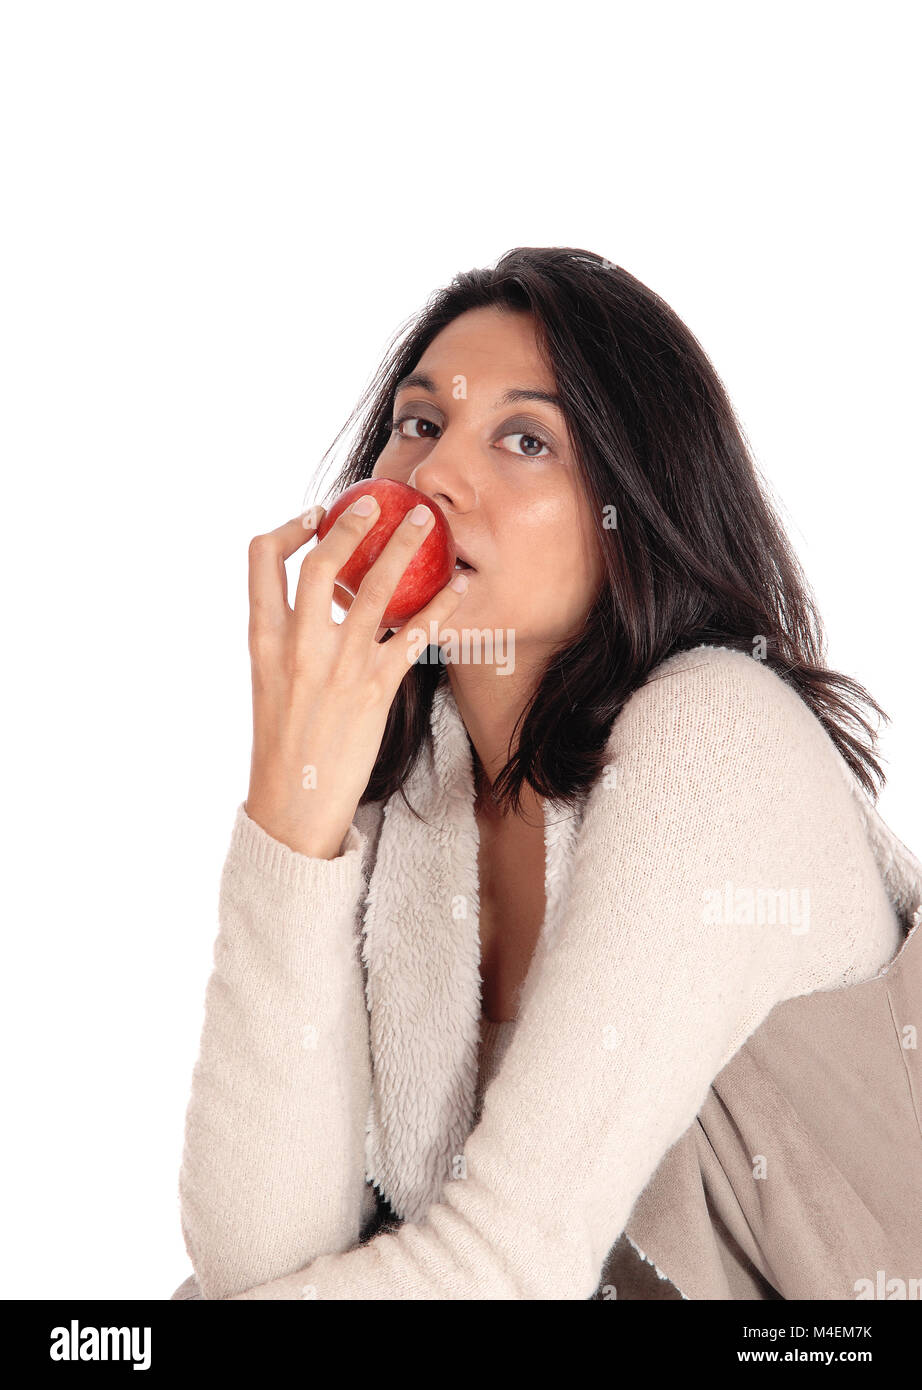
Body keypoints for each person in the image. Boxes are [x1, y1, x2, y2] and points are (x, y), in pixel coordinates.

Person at [171, 248, 922, 1300]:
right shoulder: (410, 796)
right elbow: (261, 1262)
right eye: (419, 424)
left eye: (526, 439)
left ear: (633, 519)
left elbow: (508, 1266)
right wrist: (293, 812)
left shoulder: (720, 736)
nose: (433, 476)